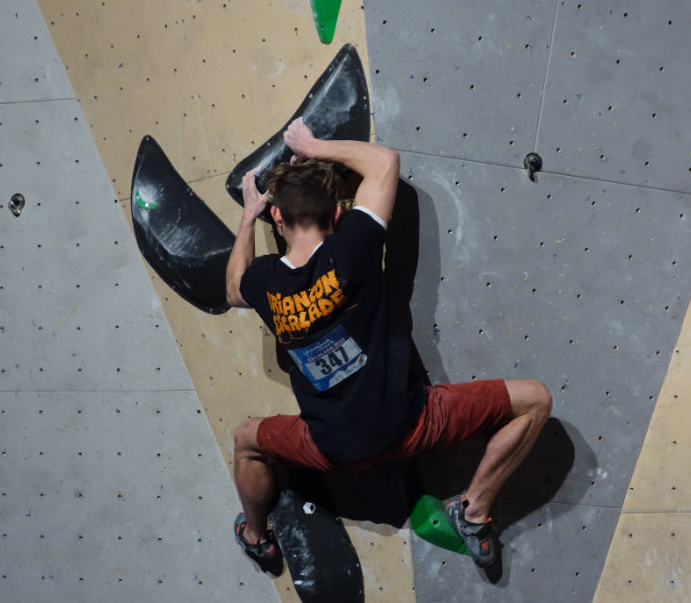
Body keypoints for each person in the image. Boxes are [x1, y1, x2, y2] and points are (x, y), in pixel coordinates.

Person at [225, 117, 552, 569]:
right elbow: (385, 163)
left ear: (277, 217)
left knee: (245, 439)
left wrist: (247, 218)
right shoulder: (353, 248)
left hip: (331, 450)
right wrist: (313, 146)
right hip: (414, 425)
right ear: (337, 215)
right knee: (535, 401)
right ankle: (474, 513)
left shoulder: (265, 282)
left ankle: (256, 535)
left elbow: (233, 289)